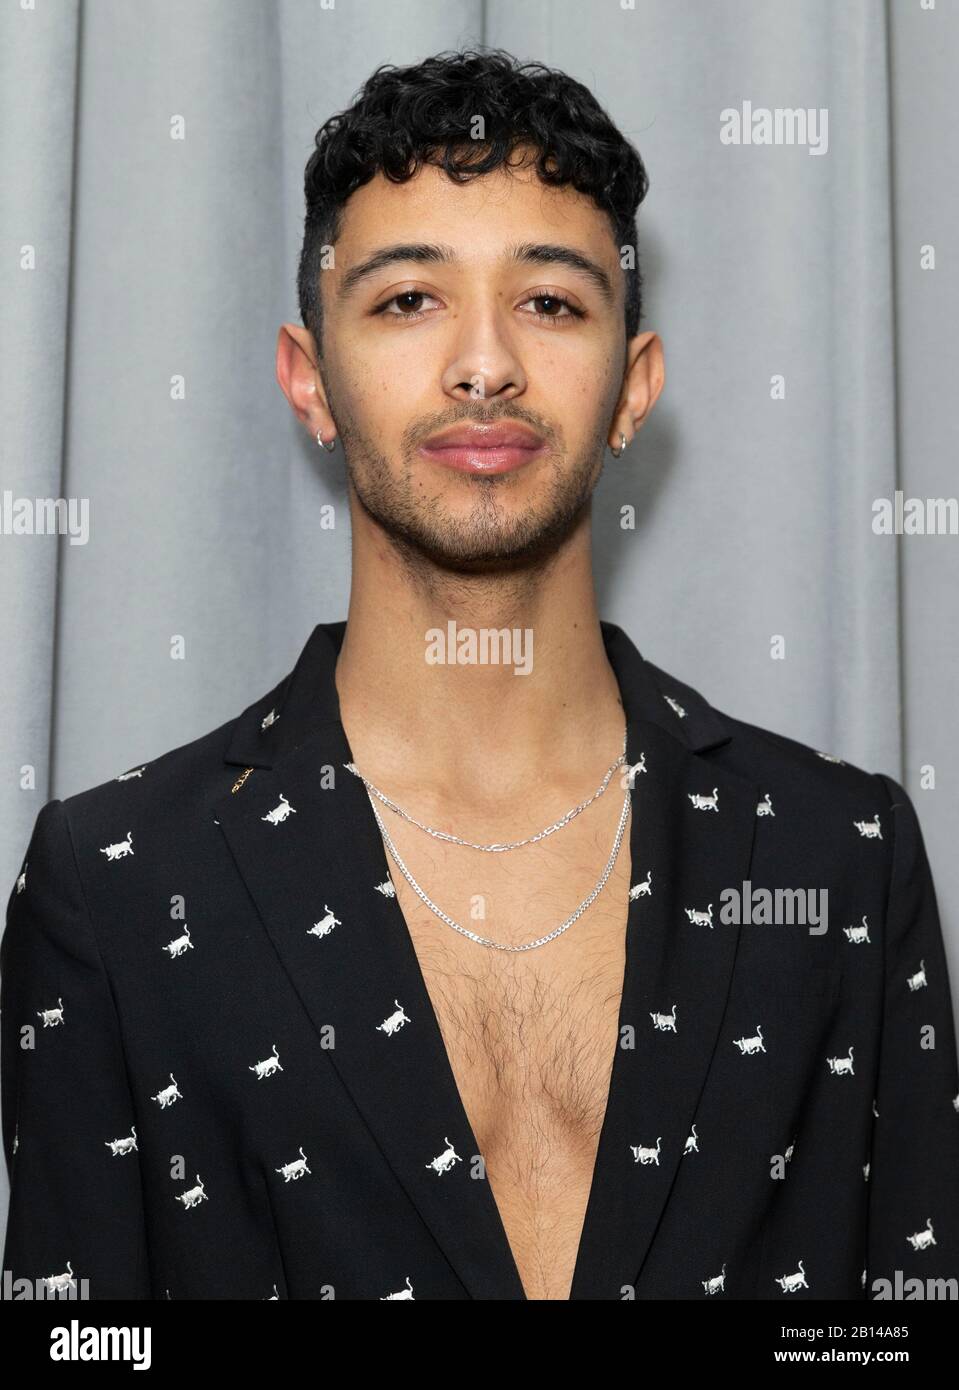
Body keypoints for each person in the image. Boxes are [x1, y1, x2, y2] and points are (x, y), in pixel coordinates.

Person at [3, 48, 957, 1302]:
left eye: (551, 303)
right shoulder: (118, 885)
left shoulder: (835, 861)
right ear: (309, 379)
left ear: (634, 385)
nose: (483, 364)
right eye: (406, 300)